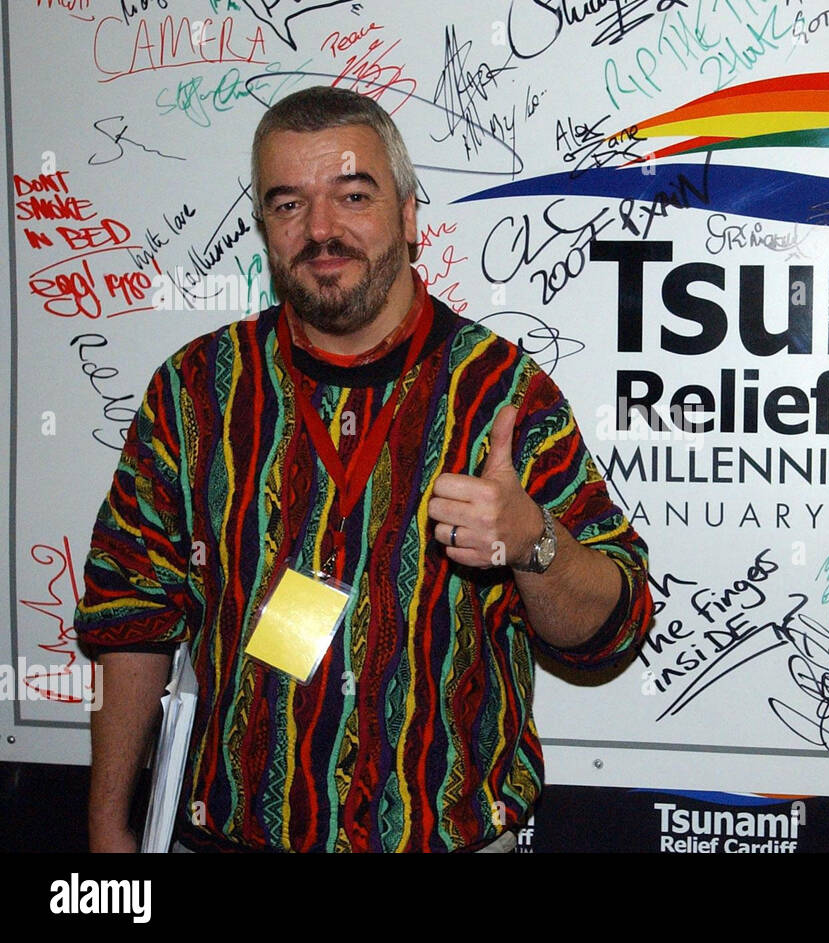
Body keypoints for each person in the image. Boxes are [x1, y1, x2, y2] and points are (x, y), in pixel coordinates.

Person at [74, 86, 652, 853]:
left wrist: (533, 540)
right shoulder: (194, 392)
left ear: (410, 217)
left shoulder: (502, 393)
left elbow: (614, 628)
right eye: (288, 204)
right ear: (265, 230)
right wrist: (109, 827)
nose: (321, 230)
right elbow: (130, 619)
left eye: (352, 195)